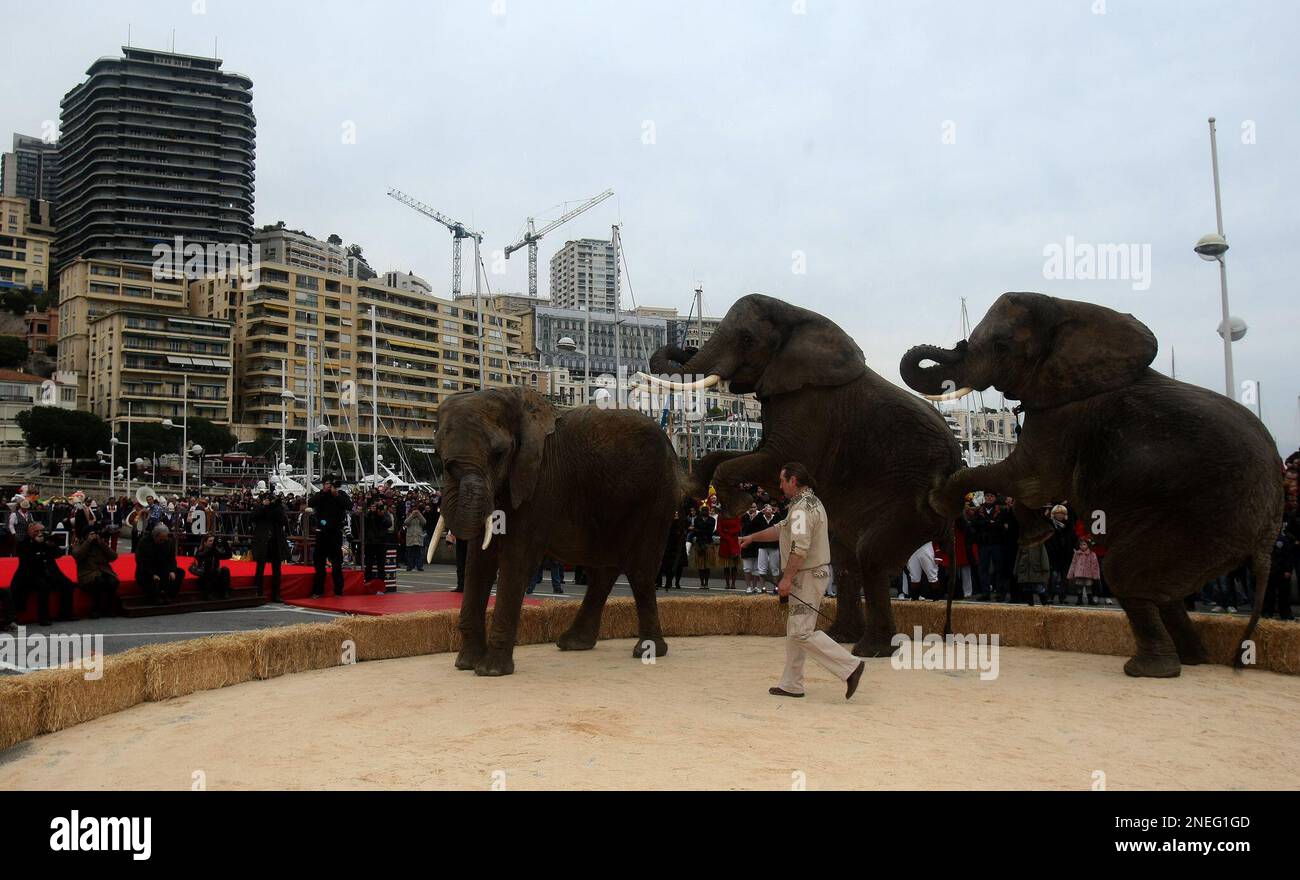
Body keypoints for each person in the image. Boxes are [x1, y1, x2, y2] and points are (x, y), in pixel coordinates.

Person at [739, 462, 865, 700]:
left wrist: (786, 579)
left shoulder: (800, 510)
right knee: (795, 630)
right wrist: (753, 537)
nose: (780, 486)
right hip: (810, 573)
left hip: (807, 575)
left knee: (800, 632)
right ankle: (791, 683)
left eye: (782, 481)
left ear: (794, 480)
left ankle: (850, 666)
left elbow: (799, 548)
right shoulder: (809, 503)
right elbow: (780, 530)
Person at [12, 522, 76, 626]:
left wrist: (51, 545)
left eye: (41, 531)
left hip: (48, 572)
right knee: (43, 586)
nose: (40, 533)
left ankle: (65, 614)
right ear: (30, 532)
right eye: (37, 531)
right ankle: (43, 617)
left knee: (67, 583)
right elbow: (28, 561)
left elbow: (58, 554)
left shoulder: (46, 540)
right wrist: (38, 544)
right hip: (30, 574)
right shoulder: (23, 543)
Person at [309, 477, 353, 597]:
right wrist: (324, 492)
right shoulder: (321, 494)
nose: (330, 486)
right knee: (319, 564)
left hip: (335, 533)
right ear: (323, 485)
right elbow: (311, 502)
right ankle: (318, 590)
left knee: (337, 564)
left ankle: (338, 590)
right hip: (322, 533)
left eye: (332, 484)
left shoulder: (340, 494)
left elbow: (349, 505)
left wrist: (336, 494)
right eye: (328, 484)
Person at [72, 524, 119, 619]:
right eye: (91, 534)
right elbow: (78, 555)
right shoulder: (79, 544)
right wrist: (88, 541)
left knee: (113, 581)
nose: (94, 536)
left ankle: (109, 608)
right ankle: (96, 609)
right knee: (99, 582)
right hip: (87, 574)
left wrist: (101, 543)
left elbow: (114, 556)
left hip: (104, 571)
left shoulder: (100, 544)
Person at [251, 492, 289, 601]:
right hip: (263, 541)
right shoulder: (259, 507)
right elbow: (253, 517)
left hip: (275, 541)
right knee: (260, 568)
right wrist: (264, 506)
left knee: (277, 569)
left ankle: (276, 594)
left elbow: (284, 520)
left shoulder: (277, 508)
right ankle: (258, 592)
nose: (269, 501)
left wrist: (276, 506)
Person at [135, 524, 185, 604]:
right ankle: (154, 596)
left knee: (180, 572)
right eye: (161, 540)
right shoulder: (144, 542)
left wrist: (172, 570)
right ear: (155, 536)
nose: (163, 542)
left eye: (164, 539)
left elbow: (171, 559)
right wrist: (152, 574)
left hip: (163, 569)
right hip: (147, 570)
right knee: (148, 577)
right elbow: (141, 561)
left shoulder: (168, 542)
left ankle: (170, 595)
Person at [192, 534, 233, 600]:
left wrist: (225, 544)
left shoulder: (215, 551)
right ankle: (208, 594)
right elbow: (202, 555)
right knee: (210, 570)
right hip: (204, 578)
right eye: (210, 541)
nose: (212, 543)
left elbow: (228, 555)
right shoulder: (199, 552)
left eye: (213, 541)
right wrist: (213, 548)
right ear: (205, 543)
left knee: (225, 570)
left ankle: (225, 593)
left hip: (214, 577)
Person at [1015, 535, 1052, 607]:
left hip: (1036, 569)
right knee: (1027, 588)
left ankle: (1045, 603)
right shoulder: (1022, 544)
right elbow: (1018, 557)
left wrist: (1045, 568)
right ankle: (1030, 605)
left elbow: (1043, 557)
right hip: (1025, 569)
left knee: (1039, 588)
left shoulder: (1039, 543)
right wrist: (1016, 570)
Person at [753, 503, 782, 593]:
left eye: (770, 509)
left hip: (774, 546)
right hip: (762, 546)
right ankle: (763, 587)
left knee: (775, 567)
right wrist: (760, 513)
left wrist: (776, 512)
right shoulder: (760, 517)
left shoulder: (776, 517)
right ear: (764, 511)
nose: (768, 511)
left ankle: (776, 587)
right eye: (766, 510)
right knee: (762, 568)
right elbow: (753, 524)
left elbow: (782, 523)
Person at [1067, 537, 1101, 606]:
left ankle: (1090, 600)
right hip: (1079, 574)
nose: (1082, 546)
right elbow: (1073, 564)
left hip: (1088, 574)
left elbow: (1095, 566)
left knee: (1089, 587)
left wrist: (1096, 576)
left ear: (1088, 545)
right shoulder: (1077, 554)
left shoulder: (1092, 554)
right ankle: (1079, 600)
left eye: (1084, 544)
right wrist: (1070, 574)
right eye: (1081, 545)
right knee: (1079, 587)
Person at [659, 508, 686, 590]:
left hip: (679, 547)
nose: (676, 516)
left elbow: (683, 534)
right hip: (669, 547)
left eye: (677, 514)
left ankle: (677, 582)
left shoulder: (681, 524)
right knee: (667, 566)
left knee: (679, 566)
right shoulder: (668, 523)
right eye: (674, 514)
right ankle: (668, 581)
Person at [689, 504, 716, 588]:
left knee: (707, 565)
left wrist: (699, 529)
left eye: (706, 510)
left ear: (708, 512)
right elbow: (696, 531)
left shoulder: (712, 520)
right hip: (699, 543)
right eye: (703, 510)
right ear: (701, 512)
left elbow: (710, 531)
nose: (704, 512)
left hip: (708, 542)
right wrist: (700, 530)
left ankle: (706, 583)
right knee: (700, 565)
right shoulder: (697, 519)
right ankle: (701, 583)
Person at [716, 508, 742, 589]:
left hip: (733, 541)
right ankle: (727, 583)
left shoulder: (736, 516)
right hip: (725, 542)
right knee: (726, 565)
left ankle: (733, 583)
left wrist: (728, 531)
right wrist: (726, 535)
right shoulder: (721, 516)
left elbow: (738, 528)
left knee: (734, 565)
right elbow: (719, 529)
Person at [739, 502, 762, 593]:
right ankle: (748, 586)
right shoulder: (744, 516)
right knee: (747, 567)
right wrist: (751, 519)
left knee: (756, 568)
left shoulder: (760, 516)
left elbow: (760, 529)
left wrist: (755, 518)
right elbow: (745, 529)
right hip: (747, 544)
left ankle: (755, 586)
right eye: (751, 507)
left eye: (754, 507)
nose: (753, 509)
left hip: (756, 544)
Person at [403, 505, 426, 572]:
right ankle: (410, 566)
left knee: (419, 554)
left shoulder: (420, 517)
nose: (415, 513)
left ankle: (419, 566)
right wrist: (412, 515)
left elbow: (424, 522)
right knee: (410, 554)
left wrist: (419, 515)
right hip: (411, 538)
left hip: (418, 539)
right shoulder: (409, 516)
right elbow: (406, 522)